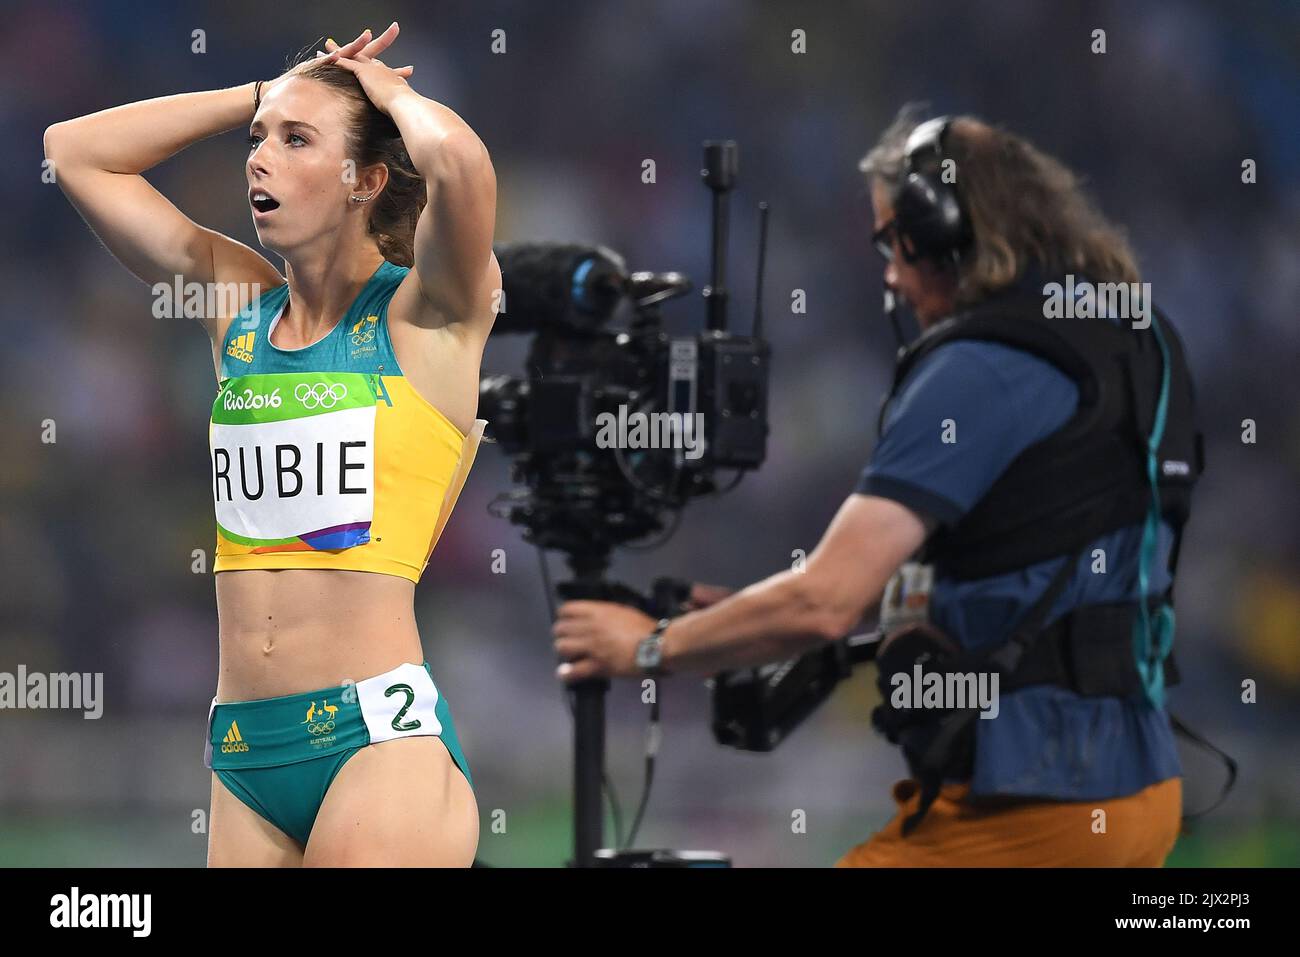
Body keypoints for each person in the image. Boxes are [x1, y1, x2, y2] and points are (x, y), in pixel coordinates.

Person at [552, 107, 1203, 867]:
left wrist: (650, 647)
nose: (891, 273)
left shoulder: (981, 366)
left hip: (1034, 807)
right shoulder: (1132, 333)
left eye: (895, 241)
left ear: (948, 230)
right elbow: (1030, 556)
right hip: (1141, 791)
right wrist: (742, 619)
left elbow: (827, 600)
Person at [45, 23, 499, 866]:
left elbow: (463, 170)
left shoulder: (426, 315)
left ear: (365, 180)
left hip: (374, 744)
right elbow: (74, 152)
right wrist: (261, 97)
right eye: (258, 143)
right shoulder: (236, 310)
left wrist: (388, 94)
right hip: (244, 754)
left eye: (295, 142)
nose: (258, 158)